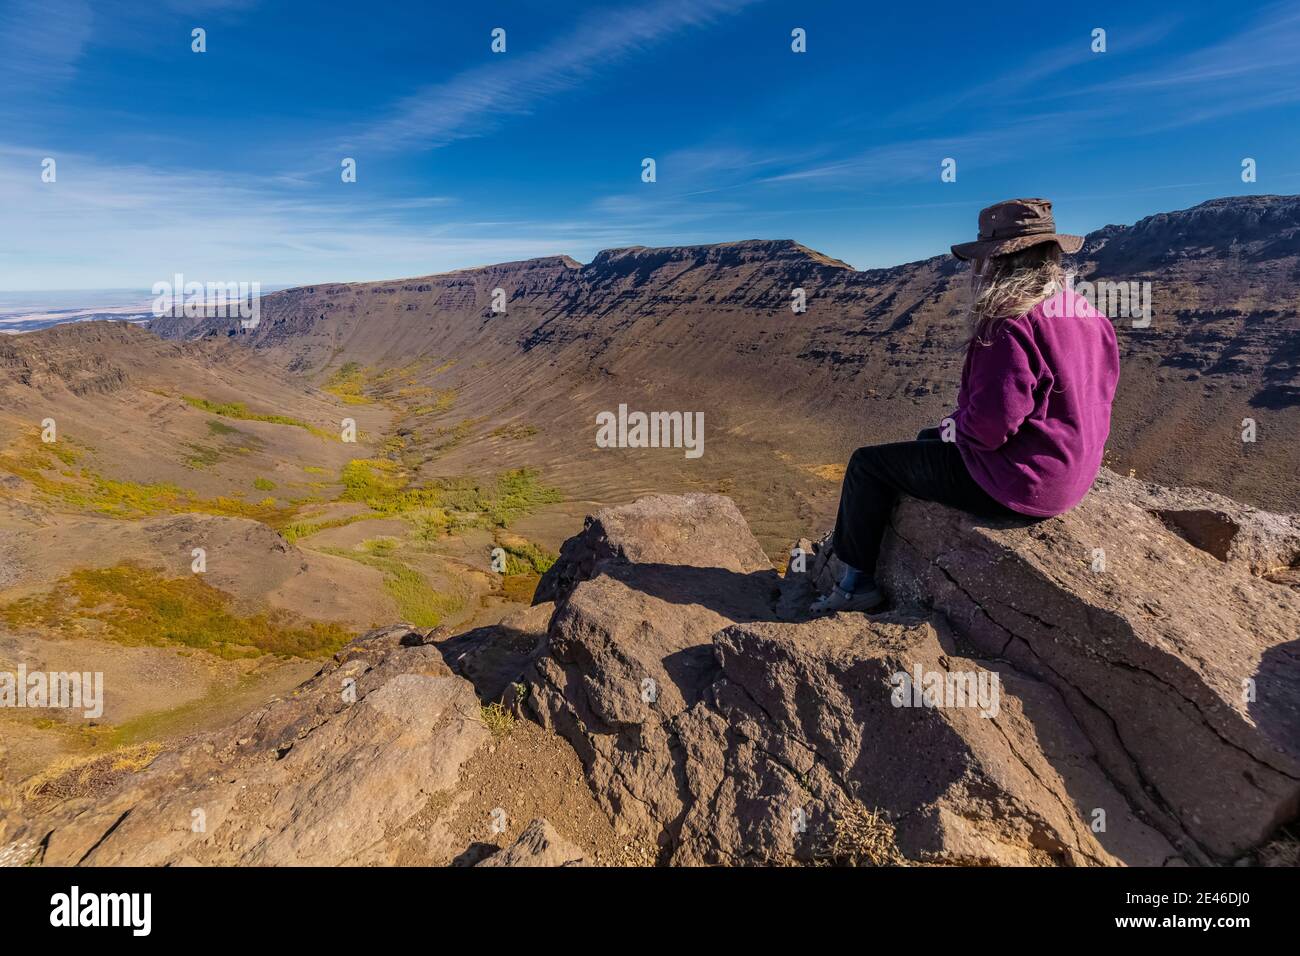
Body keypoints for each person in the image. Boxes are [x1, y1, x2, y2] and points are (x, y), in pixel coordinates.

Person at [812, 198, 1120, 613]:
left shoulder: (1010, 323)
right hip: (1071, 474)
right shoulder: (1087, 313)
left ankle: (855, 586)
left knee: (868, 465)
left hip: (1022, 483)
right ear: (1050, 255)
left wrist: (951, 427)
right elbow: (1099, 394)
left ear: (994, 264)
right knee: (926, 444)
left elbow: (990, 427)